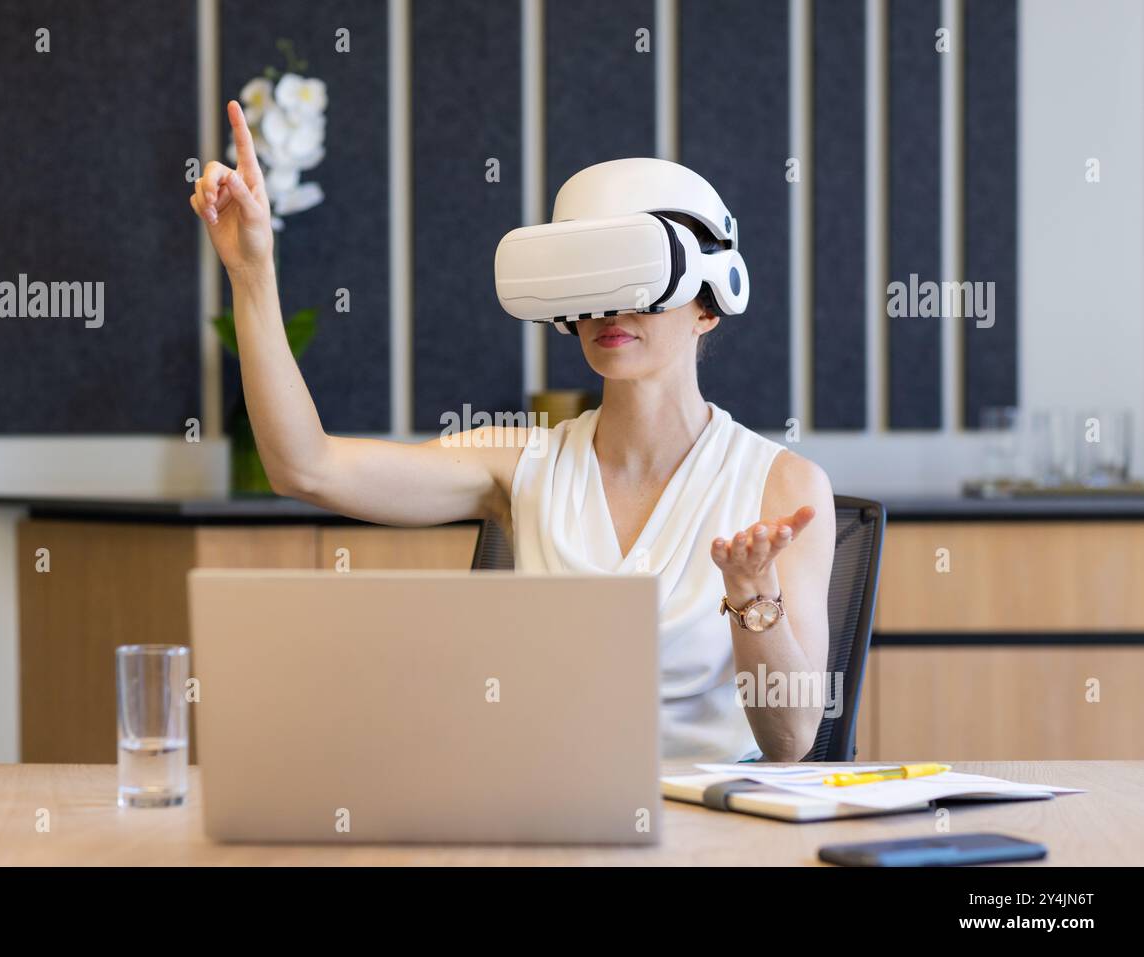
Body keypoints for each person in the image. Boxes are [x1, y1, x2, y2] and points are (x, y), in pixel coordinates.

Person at [190, 101, 835, 762]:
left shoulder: (781, 487)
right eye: (591, 275)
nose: (609, 306)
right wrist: (251, 272)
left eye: (637, 276)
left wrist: (754, 595)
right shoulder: (518, 464)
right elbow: (306, 467)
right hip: (545, 824)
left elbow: (790, 741)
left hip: (711, 837)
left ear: (708, 305)